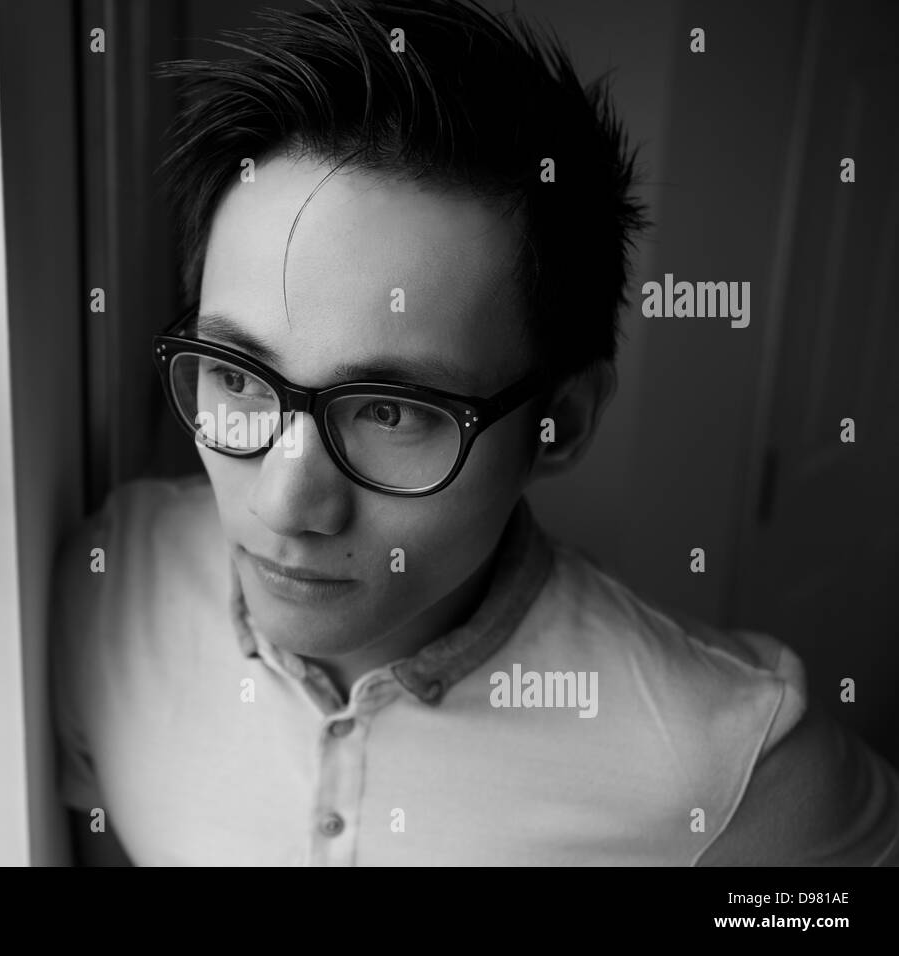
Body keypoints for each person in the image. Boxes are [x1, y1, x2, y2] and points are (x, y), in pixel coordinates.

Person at [50, 0, 899, 865]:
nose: (284, 503)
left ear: (557, 425)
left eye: (391, 411)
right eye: (237, 376)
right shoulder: (108, 584)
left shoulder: (733, 760)